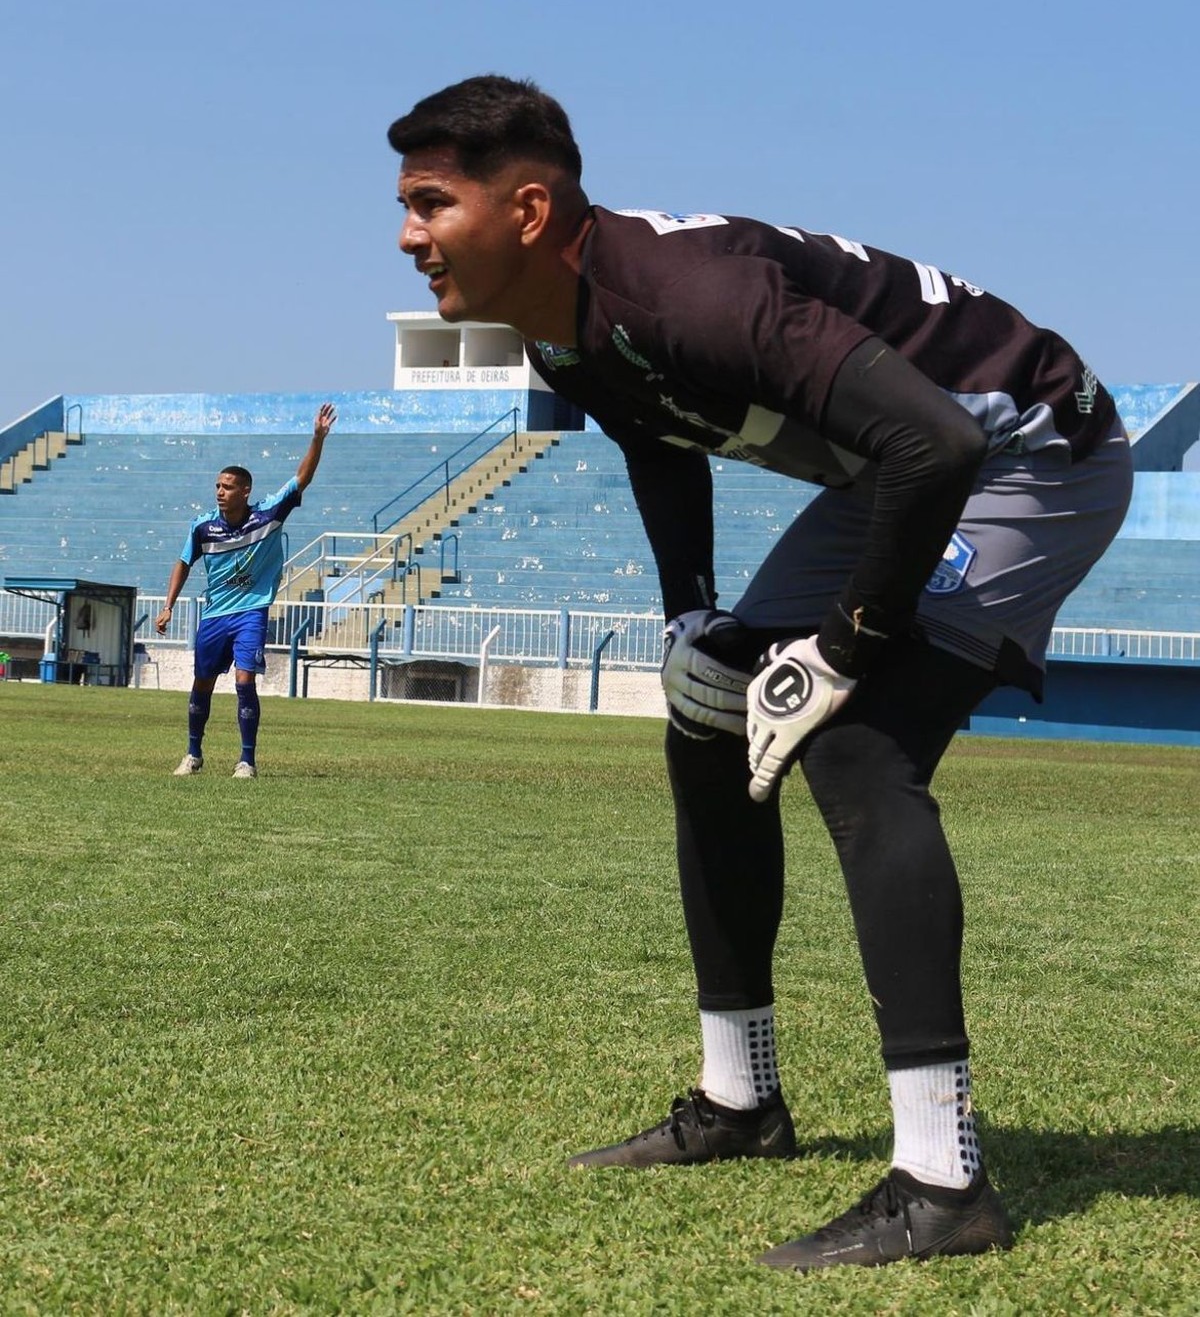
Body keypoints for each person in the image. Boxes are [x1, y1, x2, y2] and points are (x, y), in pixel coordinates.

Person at [386, 76, 1133, 1271]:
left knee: (856, 746)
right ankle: (741, 1099)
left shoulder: (690, 294)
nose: (408, 234)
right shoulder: (559, 329)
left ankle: (944, 1183)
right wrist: (693, 616)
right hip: (898, 470)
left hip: (1027, 452)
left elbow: (940, 439)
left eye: (430, 203)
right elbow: (658, 441)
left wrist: (841, 647)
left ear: (526, 211)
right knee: (710, 719)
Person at [156, 403, 336, 778]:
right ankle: (193, 754)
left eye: (227, 487)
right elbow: (183, 562)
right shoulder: (203, 527)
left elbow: (301, 479)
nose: (220, 492)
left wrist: (317, 439)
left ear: (245, 490)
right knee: (202, 683)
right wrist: (168, 605)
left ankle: (247, 761)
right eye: (217, 486)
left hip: (251, 612)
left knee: (244, 680)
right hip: (214, 615)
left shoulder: (268, 515)